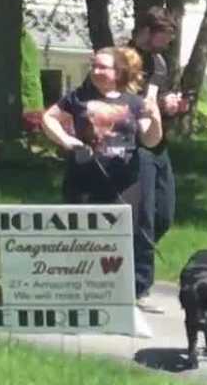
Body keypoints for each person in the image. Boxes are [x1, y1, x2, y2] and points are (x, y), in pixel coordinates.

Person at [40, 47, 163, 299]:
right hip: (84, 180)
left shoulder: (134, 103)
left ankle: (137, 291)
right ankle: (84, 289)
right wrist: (66, 140)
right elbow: (48, 118)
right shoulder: (77, 98)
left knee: (134, 235)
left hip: (125, 181)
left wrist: (156, 119)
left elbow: (151, 141)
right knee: (83, 237)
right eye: (93, 66)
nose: (96, 71)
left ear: (118, 72)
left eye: (102, 67)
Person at [129, 7, 187, 314]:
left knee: (164, 213)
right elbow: (118, 101)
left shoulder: (160, 63)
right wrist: (151, 104)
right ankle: (139, 286)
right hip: (134, 146)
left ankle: (129, 261)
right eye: (163, 38)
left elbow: (158, 101)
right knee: (144, 217)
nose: (165, 45)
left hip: (158, 142)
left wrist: (172, 105)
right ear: (147, 31)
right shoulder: (124, 60)